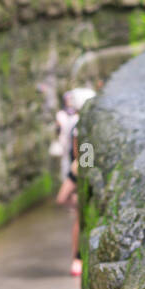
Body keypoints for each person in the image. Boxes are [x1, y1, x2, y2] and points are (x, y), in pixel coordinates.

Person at [53, 87, 95, 276]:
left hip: (79, 171)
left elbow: (84, 152)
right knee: (74, 210)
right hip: (78, 169)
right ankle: (77, 258)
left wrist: (80, 168)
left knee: (78, 218)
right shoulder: (80, 122)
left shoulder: (83, 124)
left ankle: (77, 259)